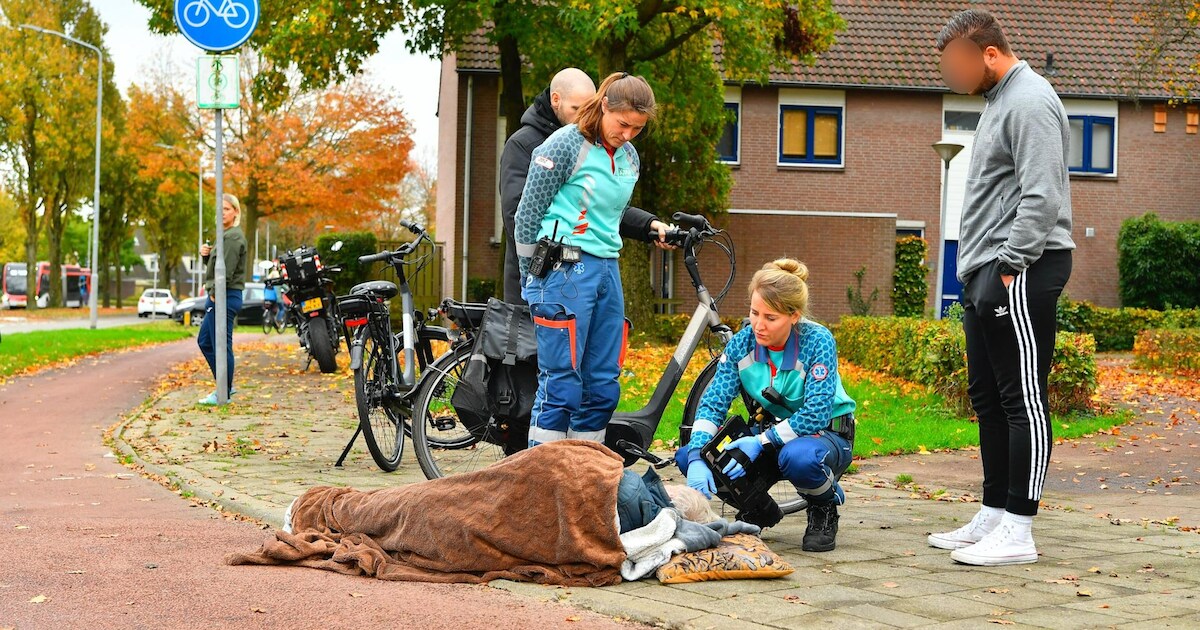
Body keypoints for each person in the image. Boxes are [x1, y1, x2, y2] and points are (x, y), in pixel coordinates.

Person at [929, 9, 1074, 566]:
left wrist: (1011, 265)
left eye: (957, 66)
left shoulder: (1030, 100)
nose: (953, 79)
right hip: (987, 267)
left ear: (988, 53)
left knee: (1023, 401)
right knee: (988, 397)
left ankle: (1020, 528)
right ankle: (993, 513)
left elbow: (1042, 195)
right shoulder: (997, 103)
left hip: (1020, 266)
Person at [515, 72, 662, 446]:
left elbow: (611, 214)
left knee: (602, 387)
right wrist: (530, 280)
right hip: (563, 271)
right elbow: (528, 214)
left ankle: (584, 478)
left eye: (638, 129)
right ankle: (541, 483)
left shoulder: (629, 158)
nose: (628, 134)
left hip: (606, 270)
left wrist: (652, 226)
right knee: (562, 384)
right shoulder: (564, 145)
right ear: (605, 106)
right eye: (623, 124)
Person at [675, 259, 857, 552]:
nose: (758, 325)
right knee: (689, 456)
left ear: (794, 316)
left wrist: (760, 441)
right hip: (767, 436)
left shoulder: (818, 340)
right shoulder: (741, 344)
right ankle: (759, 509)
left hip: (824, 435)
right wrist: (698, 453)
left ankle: (824, 506)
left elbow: (816, 413)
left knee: (799, 458)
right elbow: (712, 403)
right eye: (754, 312)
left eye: (770, 318)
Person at [500, 68, 673, 305]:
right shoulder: (528, 144)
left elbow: (601, 208)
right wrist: (533, 275)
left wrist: (648, 224)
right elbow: (520, 214)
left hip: (590, 268)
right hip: (543, 272)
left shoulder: (613, 149)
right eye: (575, 109)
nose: (582, 115)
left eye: (586, 107)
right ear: (556, 100)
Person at [197, 193, 249, 405]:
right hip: (220, 295)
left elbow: (224, 273)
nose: (222, 213)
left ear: (235, 212)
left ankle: (223, 391)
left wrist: (213, 293)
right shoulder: (225, 235)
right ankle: (225, 385)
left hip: (224, 296)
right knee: (205, 342)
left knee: (220, 344)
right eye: (220, 209)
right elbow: (216, 267)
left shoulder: (233, 237)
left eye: (226, 209)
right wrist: (206, 257)